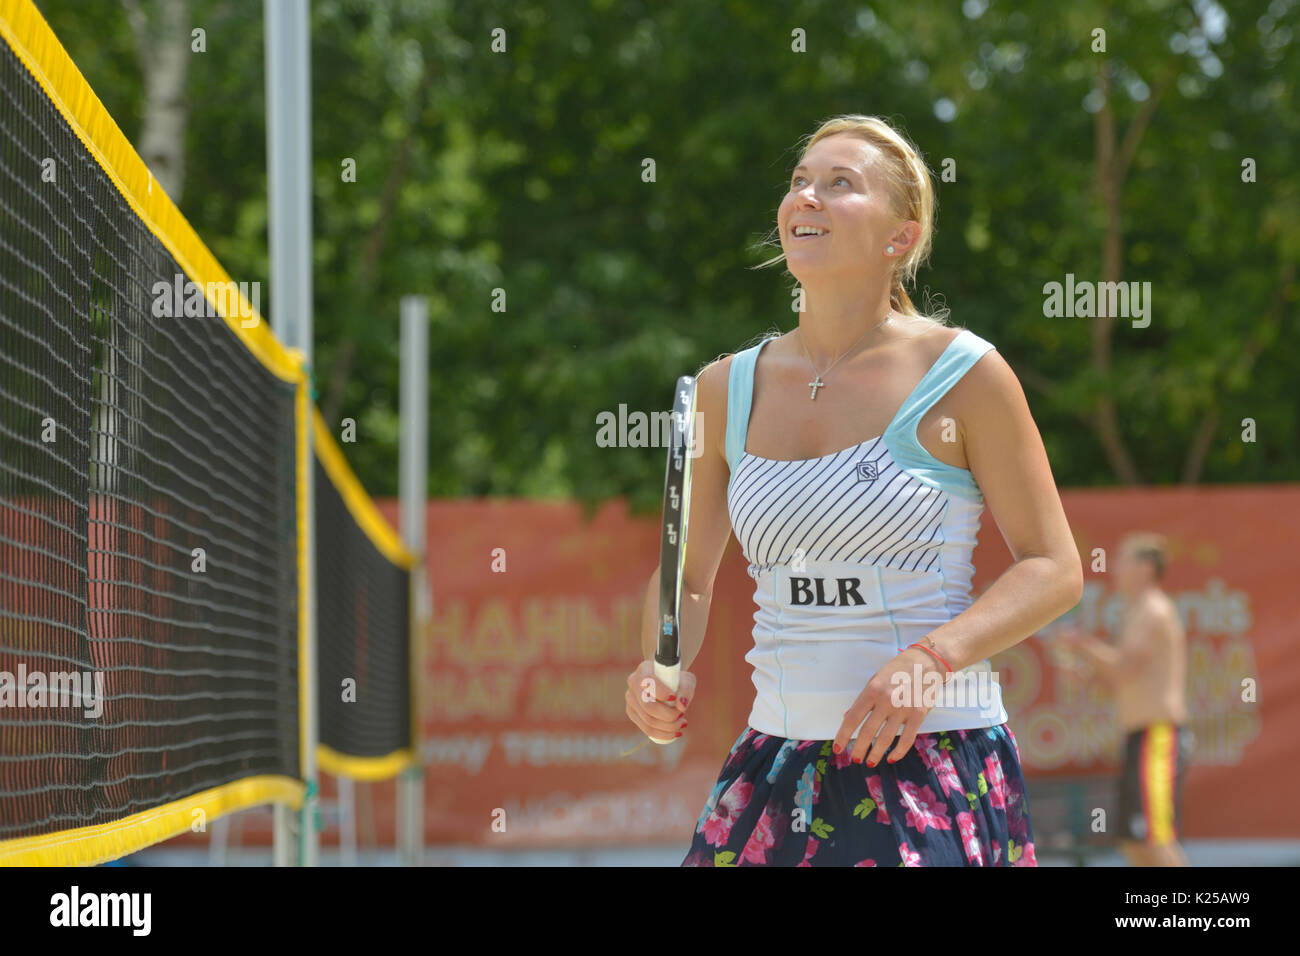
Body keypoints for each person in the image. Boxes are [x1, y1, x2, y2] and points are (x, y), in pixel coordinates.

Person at [623, 114, 1082, 867]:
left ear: (901, 236)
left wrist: (932, 659)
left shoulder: (965, 374)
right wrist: (655, 670)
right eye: (799, 181)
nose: (807, 196)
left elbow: (1054, 568)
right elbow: (689, 581)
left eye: (840, 184)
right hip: (775, 762)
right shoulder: (721, 389)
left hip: (932, 756)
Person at [1061, 533, 1192, 866]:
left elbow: (1122, 668)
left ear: (1145, 568)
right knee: (1133, 843)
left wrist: (1082, 645)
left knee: (1155, 840)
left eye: (1123, 561)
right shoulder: (1138, 611)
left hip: (1158, 736)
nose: (1115, 568)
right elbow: (1122, 679)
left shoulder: (1154, 609)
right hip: (1140, 737)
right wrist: (1088, 676)